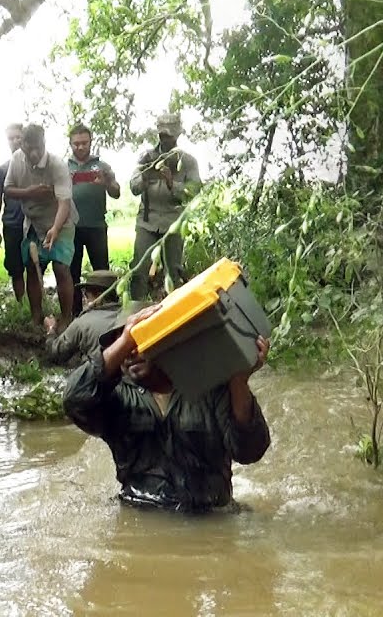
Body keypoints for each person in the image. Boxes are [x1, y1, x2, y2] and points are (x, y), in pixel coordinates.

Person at [61, 303, 272, 513]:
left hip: (210, 519)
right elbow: (74, 400)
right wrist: (126, 341)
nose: (131, 352)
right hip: (138, 515)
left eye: (141, 339)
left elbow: (249, 451)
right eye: (124, 344)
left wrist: (239, 380)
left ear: (166, 341)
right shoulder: (116, 399)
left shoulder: (209, 388)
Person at [4, 123, 78, 329]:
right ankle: (36, 318)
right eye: (29, 149)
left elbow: (64, 203)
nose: (34, 153)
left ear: (44, 143)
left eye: (38, 147)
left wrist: (55, 229)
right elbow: (8, 189)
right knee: (32, 267)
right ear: (23, 145)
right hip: (33, 224)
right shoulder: (17, 159)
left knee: (61, 267)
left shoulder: (57, 165)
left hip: (60, 223)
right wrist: (30, 192)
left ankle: (66, 319)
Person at [129, 113, 202, 300]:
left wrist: (172, 184)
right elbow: (133, 187)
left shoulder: (187, 161)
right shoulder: (146, 157)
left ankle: (174, 316)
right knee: (138, 270)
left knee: (174, 273)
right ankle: (134, 312)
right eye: (162, 135)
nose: (164, 139)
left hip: (173, 222)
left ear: (177, 135)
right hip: (147, 222)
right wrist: (146, 175)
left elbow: (194, 192)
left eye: (168, 135)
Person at [67, 124, 121, 315]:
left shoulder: (102, 166)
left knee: (101, 272)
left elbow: (117, 193)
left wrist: (107, 182)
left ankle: (107, 312)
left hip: (96, 227)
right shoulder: (64, 167)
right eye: (76, 144)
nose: (80, 147)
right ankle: (75, 315)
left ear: (91, 142)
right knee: (72, 273)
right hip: (71, 228)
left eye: (84, 143)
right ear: (70, 144)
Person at [44, 269, 124, 366]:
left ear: (99, 297)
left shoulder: (83, 322)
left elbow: (56, 353)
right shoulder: (131, 315)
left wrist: (51, 330)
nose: (84, 299)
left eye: (86, 295)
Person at [0, 123, 28, 302]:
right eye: (11, 138)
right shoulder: (2, 170)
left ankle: (36, 303)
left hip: (34, 224)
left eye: (18, 137)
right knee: (15, 268)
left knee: (36, 264)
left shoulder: (36, 166)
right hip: (12, 224)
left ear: (24, 138)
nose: (15, 141)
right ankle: (21, 303)